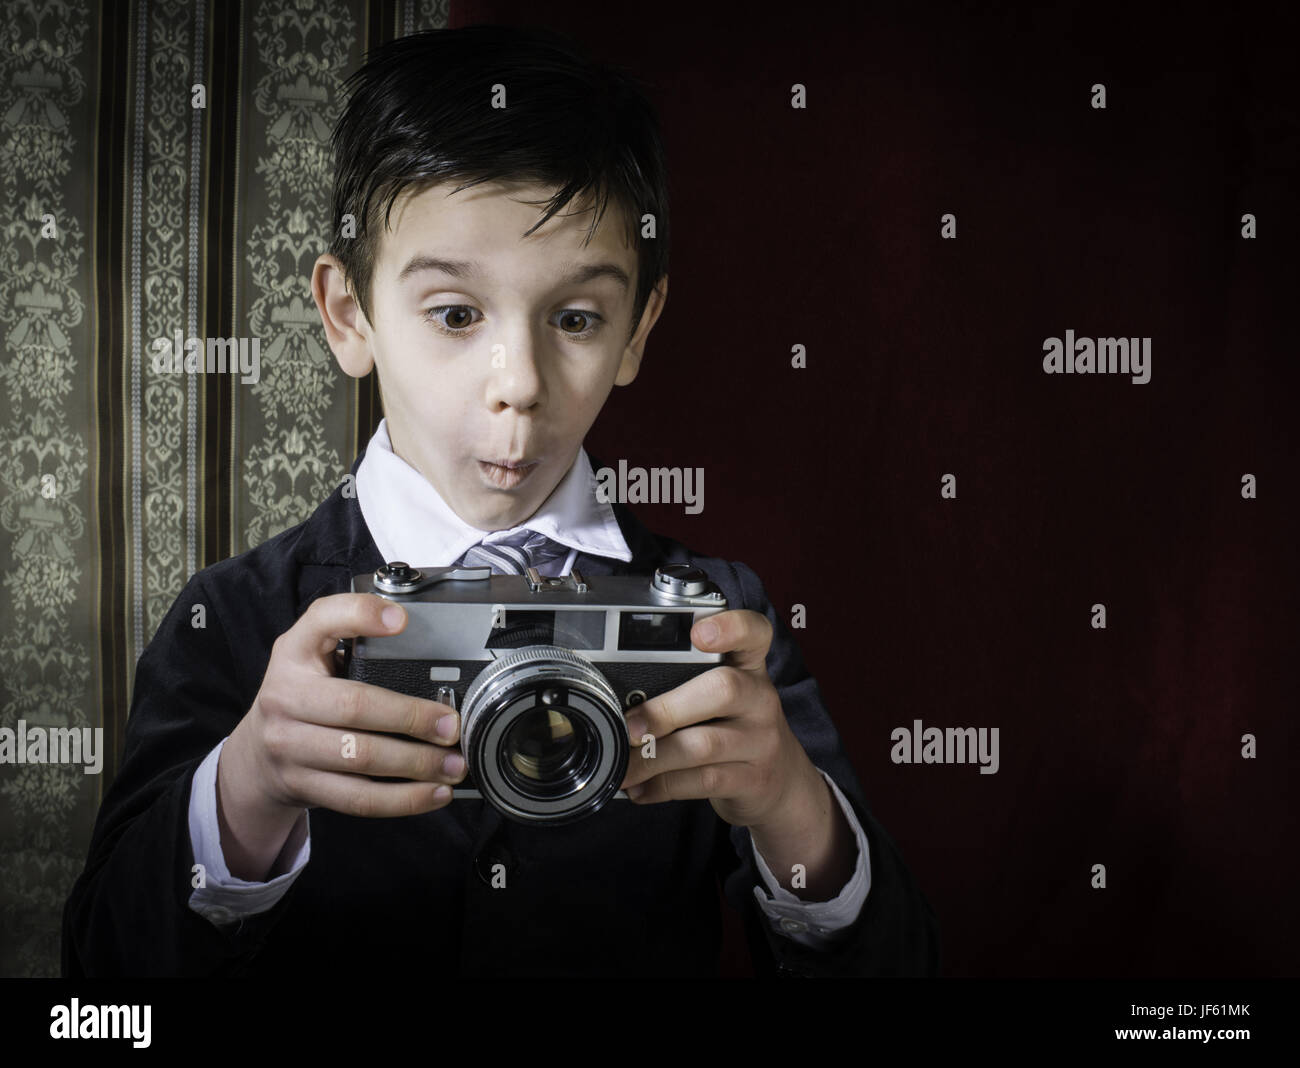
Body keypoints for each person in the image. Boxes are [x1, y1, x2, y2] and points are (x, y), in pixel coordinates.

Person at [62, 24, 938, 977]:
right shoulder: (233, 618)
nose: (518, 381)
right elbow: (100, 991)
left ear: (637, 331)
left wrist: (791, 806)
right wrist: (245, 790)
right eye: (455, 314)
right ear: (349, 315)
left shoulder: (716, 624)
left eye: (576, 318)